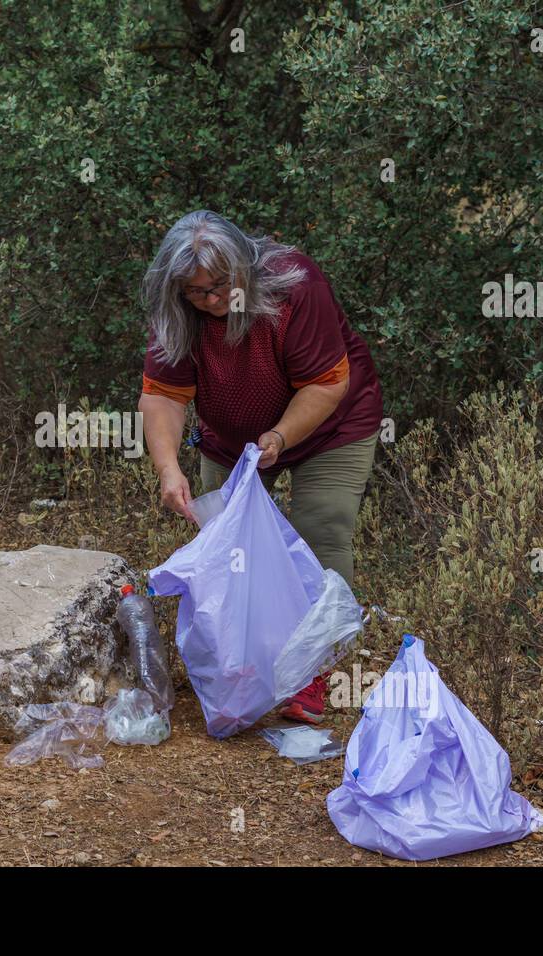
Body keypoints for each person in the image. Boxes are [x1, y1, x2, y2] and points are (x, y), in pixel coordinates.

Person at [137, 210, 383, 723]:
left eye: (222, 286)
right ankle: (243, 661)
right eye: (197, 292)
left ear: (246, 269)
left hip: (331, 423)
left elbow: (326, 383)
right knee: (227, 539)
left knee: (322, 528)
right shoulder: (175, 312)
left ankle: (313, 673)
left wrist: (280, 436)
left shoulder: (295, 285)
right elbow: (162, 395)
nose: (211, 300)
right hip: (231, 437)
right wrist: (168, 469)